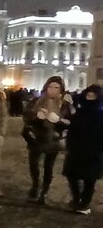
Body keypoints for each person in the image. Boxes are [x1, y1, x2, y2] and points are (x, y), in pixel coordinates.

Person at [20, 76, 72, 204]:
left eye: (56, 87)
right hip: (36, 138)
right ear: (46, 87)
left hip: (53, 140)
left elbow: (72, 122)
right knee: (34, 165)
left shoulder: (65, 105)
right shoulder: (36, 101)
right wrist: (36, 117)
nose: (53, 90)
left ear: (61, 90)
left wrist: (59, 121)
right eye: (50, 87)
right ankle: (35, 185)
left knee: (48, 167)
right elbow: (26, 116)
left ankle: (44, 191)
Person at [63, 85, 103, 215]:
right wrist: (69, 145)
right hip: (76, 149)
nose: (90, 98)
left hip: (93, 151)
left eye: (93, 96)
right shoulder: (80, 112)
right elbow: (72, 130)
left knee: (89, 179)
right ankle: (76, 198)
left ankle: (84, 203)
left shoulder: (100, 114)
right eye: (88, 95)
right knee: (71, 175)